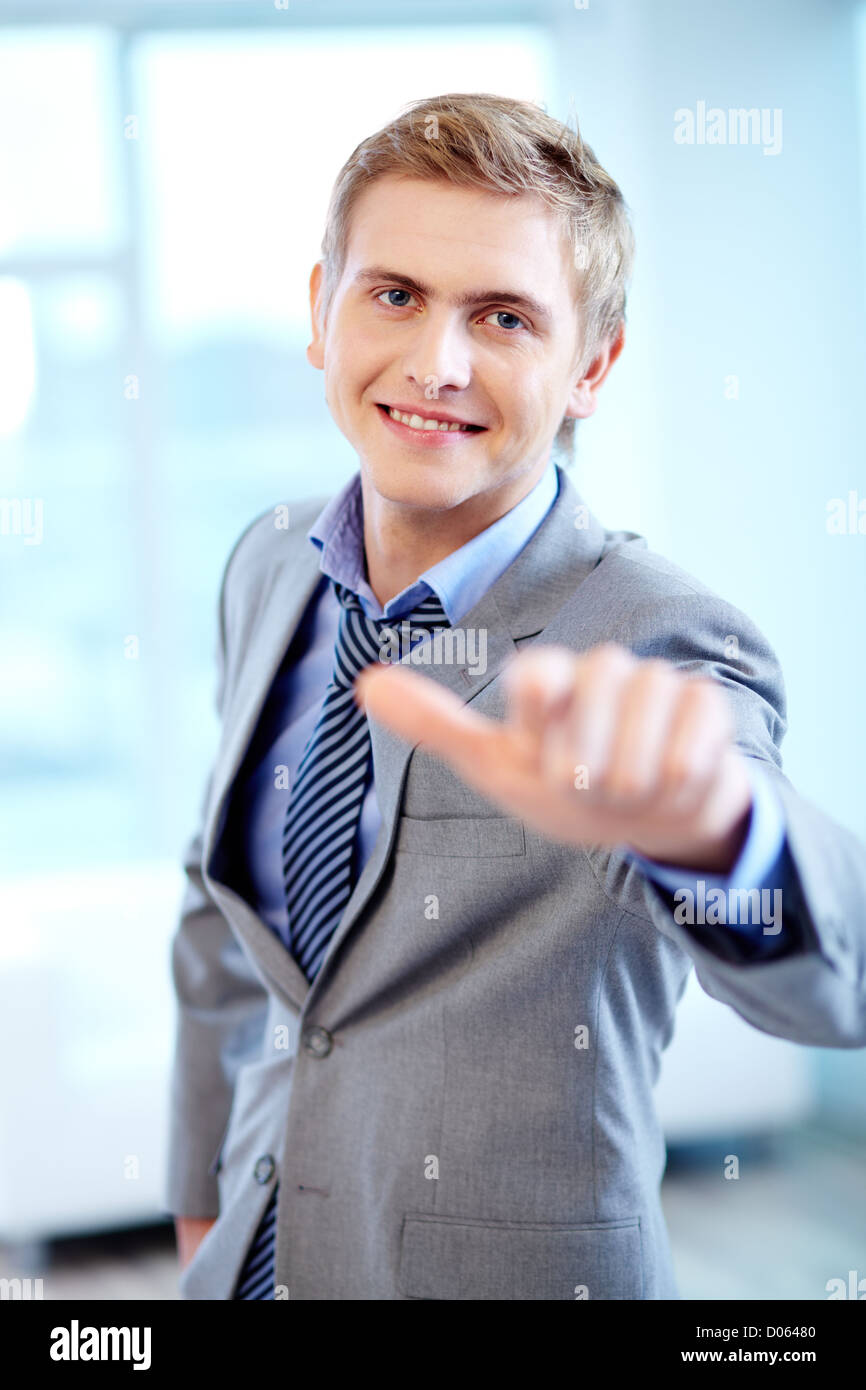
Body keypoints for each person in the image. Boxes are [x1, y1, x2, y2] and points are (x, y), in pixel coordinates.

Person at [167, 93, 866, 1300]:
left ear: (591, 365)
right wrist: (200, 1201)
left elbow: (834, 968)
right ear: (320, 311)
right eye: (393, 294)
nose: (435, 364)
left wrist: (716, 835)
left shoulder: (653, 637)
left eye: (502, 316)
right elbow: (219, 922)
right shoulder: (268, 565)